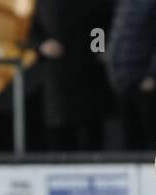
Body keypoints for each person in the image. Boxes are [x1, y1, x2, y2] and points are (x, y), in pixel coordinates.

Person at [28, 0, 111, 152]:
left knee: (91, 132)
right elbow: (34, 30)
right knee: (59, 133)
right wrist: (42, 46)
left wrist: (98, 49)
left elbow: (101, 25)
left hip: (88, 74)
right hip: (57, 78)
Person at [106, 0, 156, 151]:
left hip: (147, 83)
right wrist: (111, 68)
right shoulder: (124, 4)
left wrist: (153, 75)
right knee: (130, 140)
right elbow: (113, 36)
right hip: (123, 81)